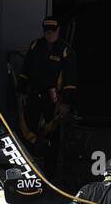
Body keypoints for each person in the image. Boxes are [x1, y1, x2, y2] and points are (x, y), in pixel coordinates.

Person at [13, 17, 79, 166]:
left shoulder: (65, 50)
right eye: (47, 31)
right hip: (34, 95)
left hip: (54, 99)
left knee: (53, 135)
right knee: (28, 131)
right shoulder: (36, 46)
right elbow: (25, 70)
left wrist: (66, 103)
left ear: (58, 30)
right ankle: (26, 166)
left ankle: (51, 171)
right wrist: (21, 91)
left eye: (52, 31)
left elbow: (71, 80)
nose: (49, 34)